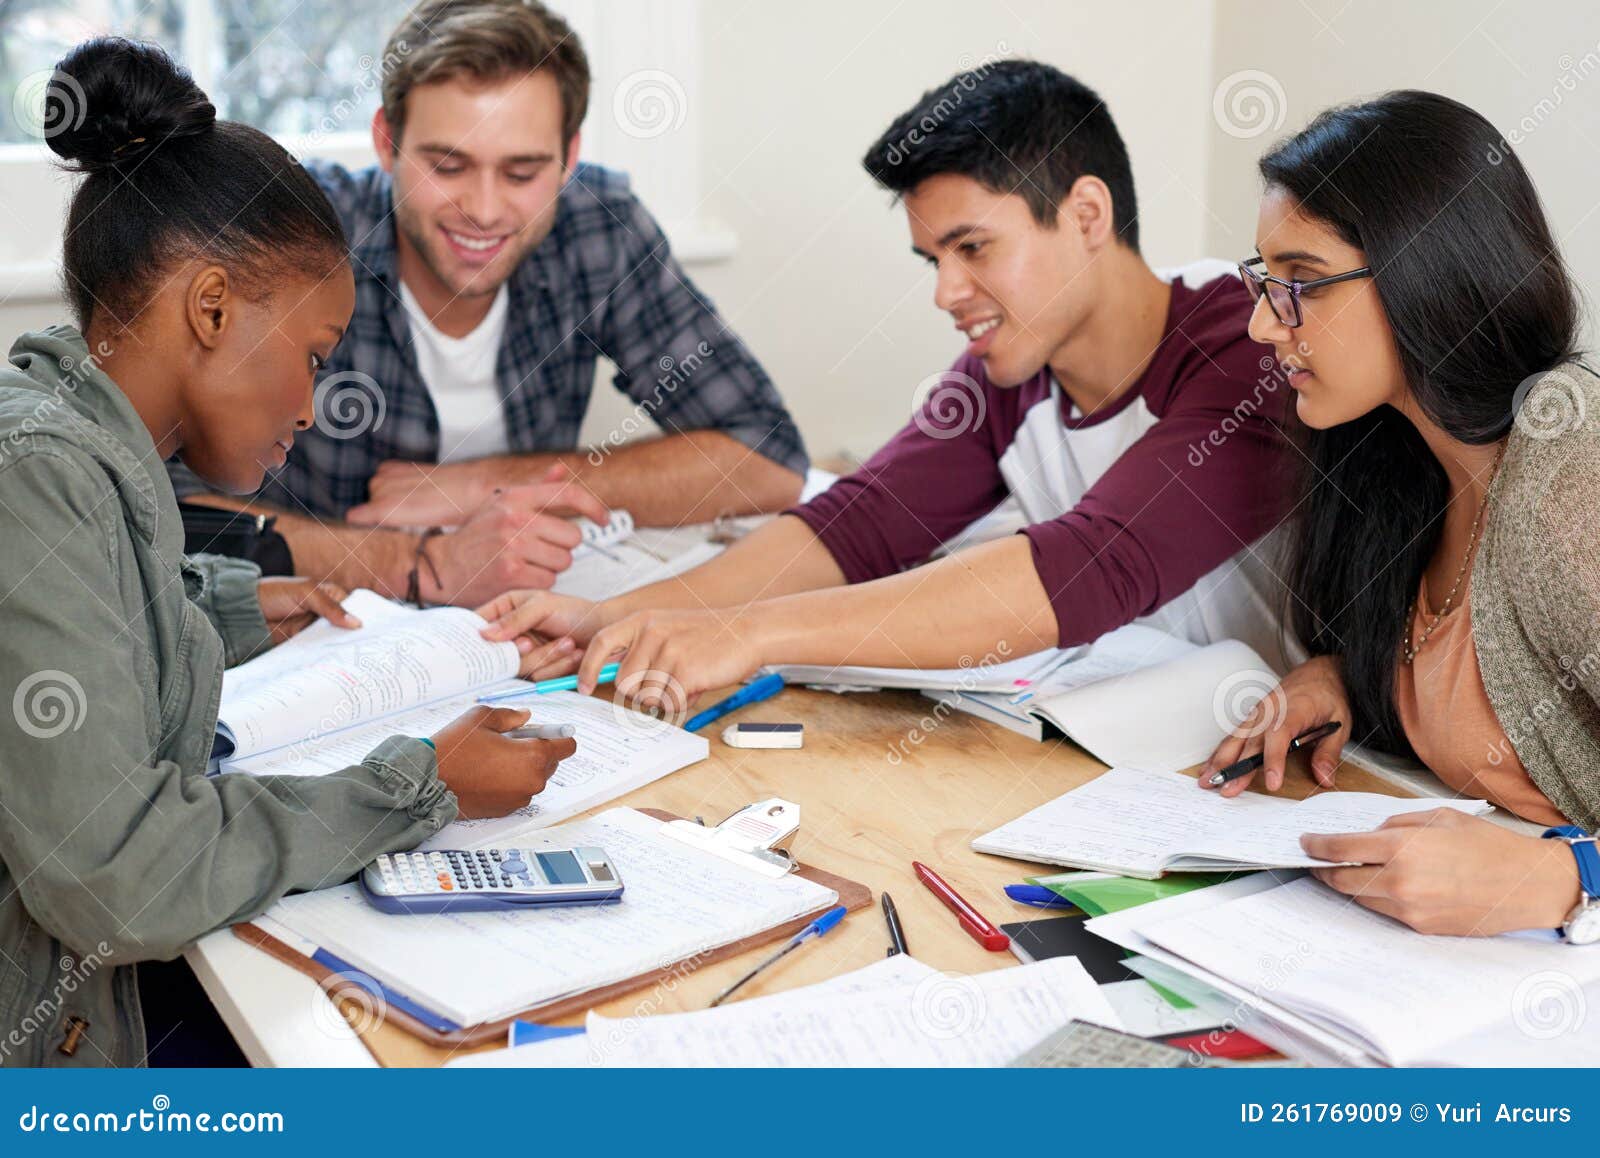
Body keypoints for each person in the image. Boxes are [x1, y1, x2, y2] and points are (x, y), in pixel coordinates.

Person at [0, 39, 575, 1068]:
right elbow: (113, 876)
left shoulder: (71, 445)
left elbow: (76, 610)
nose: (312, 408)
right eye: (312, 357)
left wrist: (216, 608)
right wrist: (415, 786)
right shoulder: (39, 476)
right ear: (210, 308)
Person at [471, 60, 1293, 709]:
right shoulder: (1012, 368)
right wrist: (620, 617)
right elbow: (857, 524)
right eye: (933, 261)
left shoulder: (1253, 344)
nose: (945, 292)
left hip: (1332, 774)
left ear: (1086, 216)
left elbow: (1090, 563)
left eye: (973, 249)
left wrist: (751, 635)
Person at [168, 0, 807, 609]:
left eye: (523, 173)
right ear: (386, 142)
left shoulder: (599, 227)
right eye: (447, 166)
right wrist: (416, 563)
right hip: (325, 641)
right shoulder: (297, 236)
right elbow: (158, 504)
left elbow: (767, 460)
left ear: (569, 157)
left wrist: (484, 483)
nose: (484, 209)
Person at [1199, 91, 1600, 939]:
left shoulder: (1570, 469)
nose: (1263, 323)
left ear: (1430, 271)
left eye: (1302, 283)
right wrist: (1353, 681)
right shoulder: (1403, 456)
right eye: (1267, 281)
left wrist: (1570, 876)